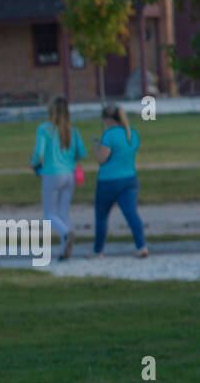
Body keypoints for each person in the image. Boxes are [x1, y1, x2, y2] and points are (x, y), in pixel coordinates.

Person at [30, 96, 85, 260]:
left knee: (49, 214)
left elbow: (39, 153)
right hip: (69, 174)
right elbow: (81, 153)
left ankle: (66, 234)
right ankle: (65, 249)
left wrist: (34, 164)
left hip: (52, 174)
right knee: (63, 213)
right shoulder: (72, 130)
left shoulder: (44, 129)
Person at [91, 104, 148, 259]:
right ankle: (141, 246)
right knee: (131, 214)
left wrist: (97, 146)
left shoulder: (109, 135)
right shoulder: (132, 134)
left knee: (102, 217)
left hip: (108, 181)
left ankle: (98, 251)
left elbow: (101, 159)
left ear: (108, 119)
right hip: (130, 178)